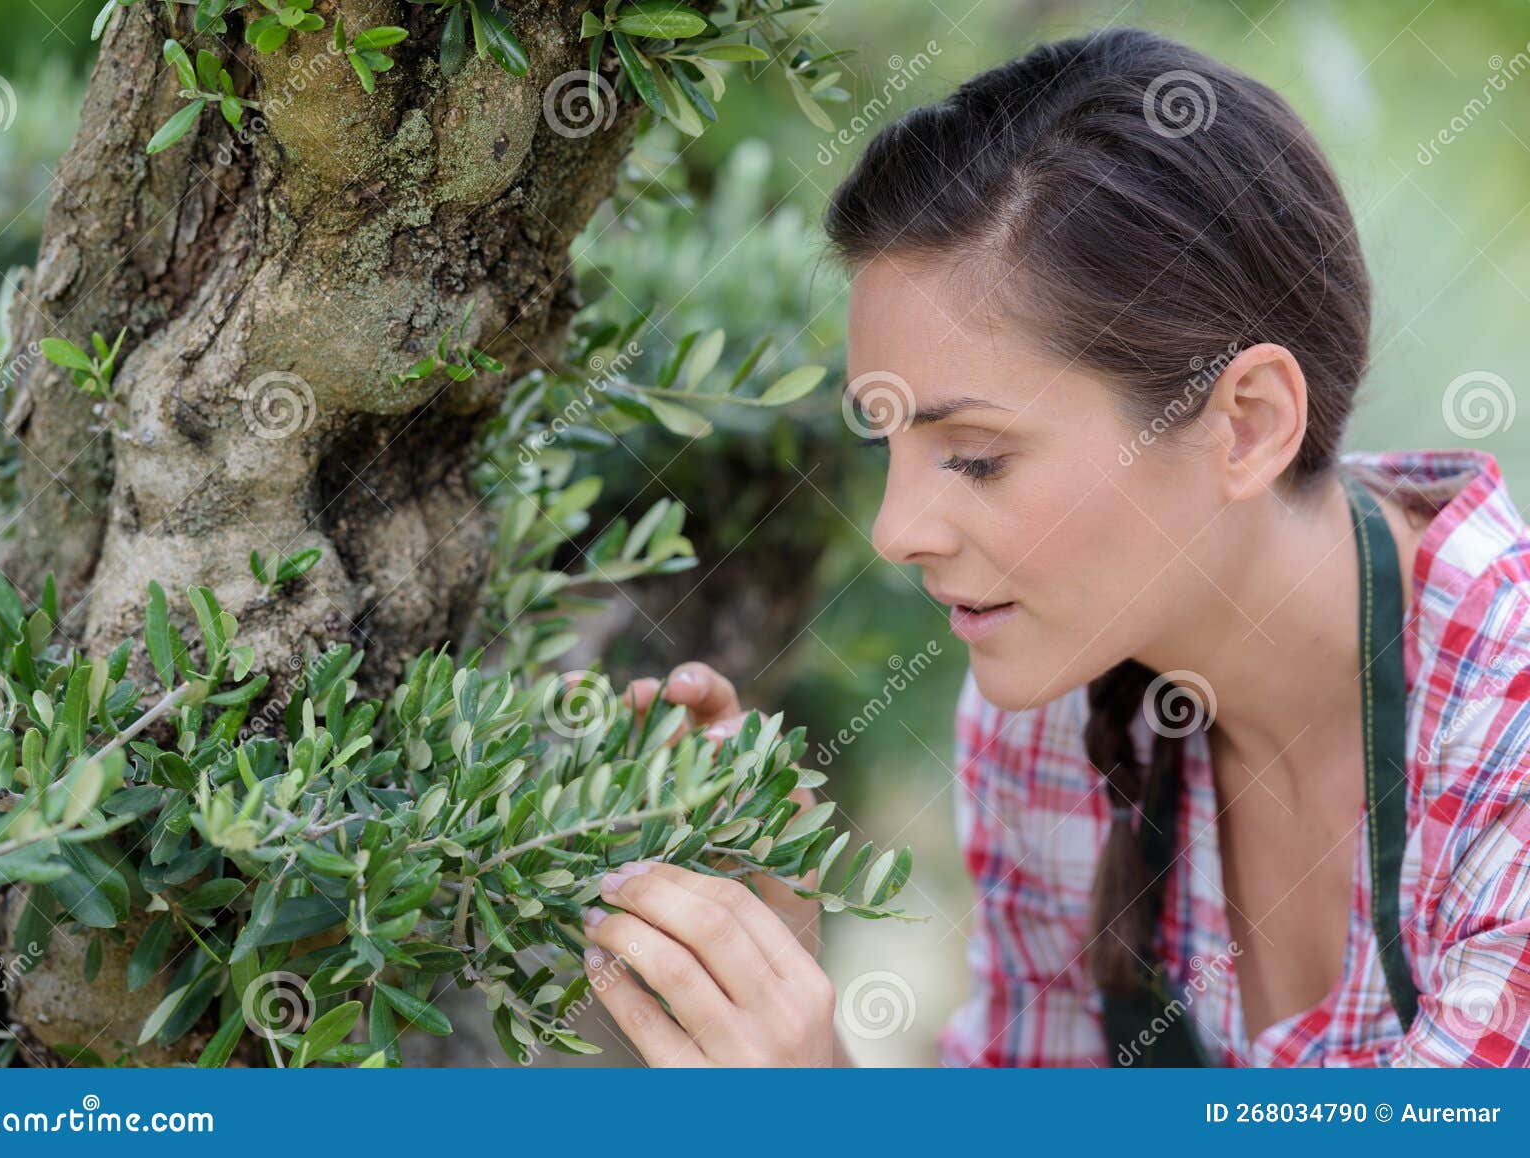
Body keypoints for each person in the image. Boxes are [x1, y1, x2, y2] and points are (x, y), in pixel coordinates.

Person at [578, 27, 1530, 1067]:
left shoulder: (1505, 736)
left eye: (978, 458)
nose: (896, 530)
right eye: (886, 439)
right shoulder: (1049, 721)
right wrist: (775, 994)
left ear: (1246, 422)